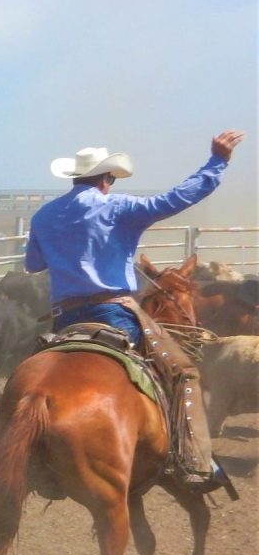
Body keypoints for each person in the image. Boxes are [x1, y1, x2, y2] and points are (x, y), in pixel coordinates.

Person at [26, 130, 244, 493]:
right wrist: (216, 162)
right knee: (183, 372)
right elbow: (177, 199)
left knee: (36, 371)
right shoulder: (118, 208)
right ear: (106, 179)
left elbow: (33, 264)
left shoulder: (44, 216)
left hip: (65, 319)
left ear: (74, 177)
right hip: (115, 315)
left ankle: (37, 458)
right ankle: (193, 459)